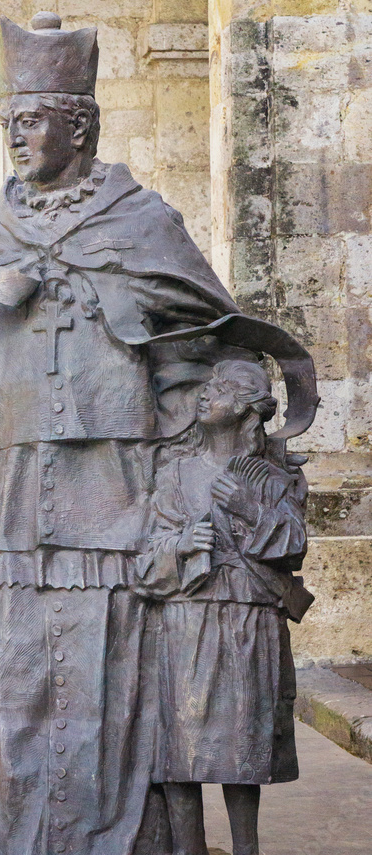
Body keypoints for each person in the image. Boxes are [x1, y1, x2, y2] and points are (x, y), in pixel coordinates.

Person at [0, 13, 254, 855]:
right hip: (4, 491)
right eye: (8, 124)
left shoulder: (141, 221)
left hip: (114, 485)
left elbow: (200, 338)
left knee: (112, 668)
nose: (16, 139)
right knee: (7, 670)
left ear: (80, 125)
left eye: (31, 122)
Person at [137, 360, 313, 855]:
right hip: (186, 620)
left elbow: (295, 544)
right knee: (178, 748)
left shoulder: (271, 476)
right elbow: (147, 556)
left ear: (243, 409)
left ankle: (246, 849)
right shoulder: (175, 473)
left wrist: (246, 506)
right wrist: (181, 545)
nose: (203, 394)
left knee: (242, 746)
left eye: (217, 389)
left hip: (248, 619)